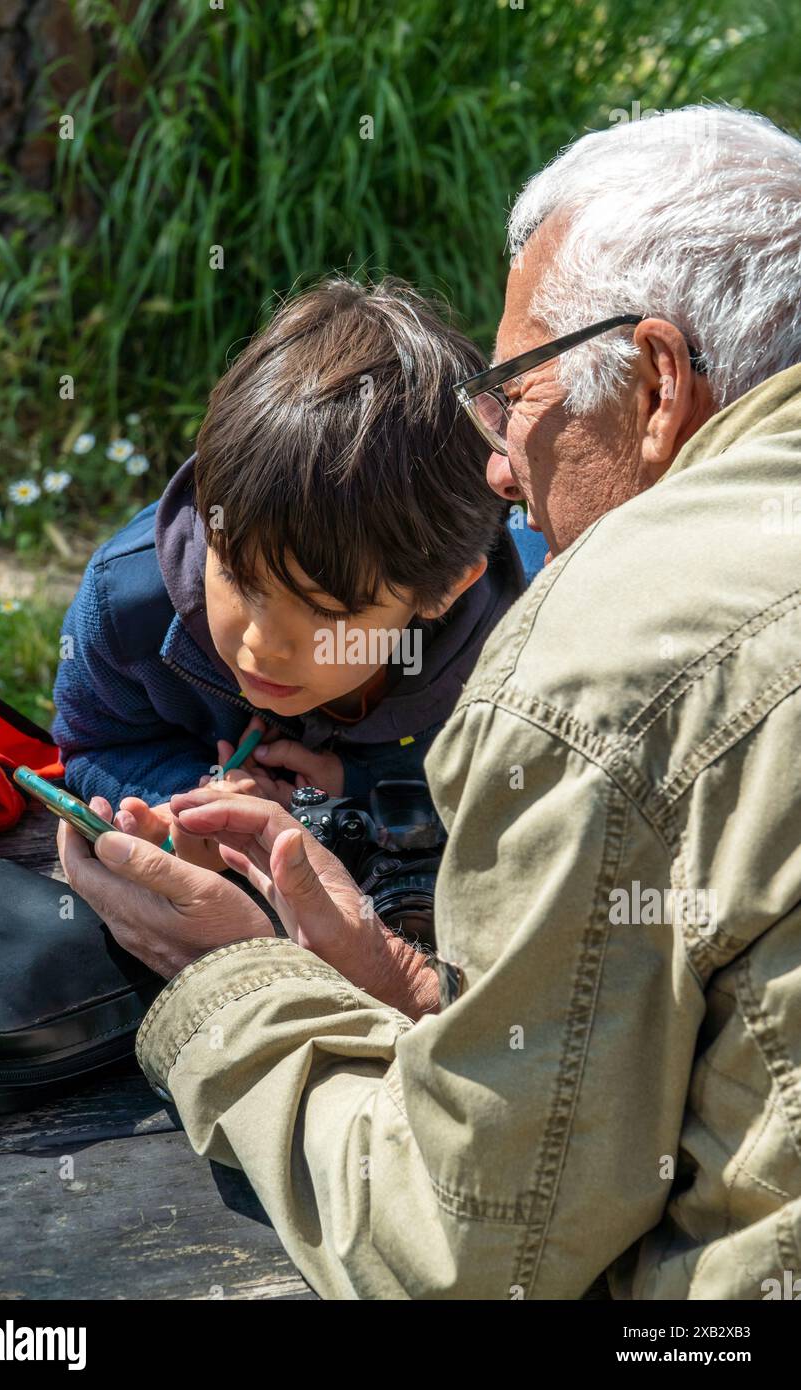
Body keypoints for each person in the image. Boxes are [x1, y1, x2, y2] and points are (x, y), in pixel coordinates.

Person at [60, 104, 801, 1299]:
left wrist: (232, 979)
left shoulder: (609, 639)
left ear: (657, 385)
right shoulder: (134, 596)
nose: (499, 466)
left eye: (514, 394)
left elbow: (468, 1253)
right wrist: (410, 983)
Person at [52, 278, 538, 862]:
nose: (262, 645)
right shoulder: (126, 606)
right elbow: (98, 742)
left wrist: (359, 786)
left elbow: (521, 794)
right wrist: (181, 800)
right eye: (237, 577)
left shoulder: (516, 651)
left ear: (442, 590)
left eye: (324, 609)